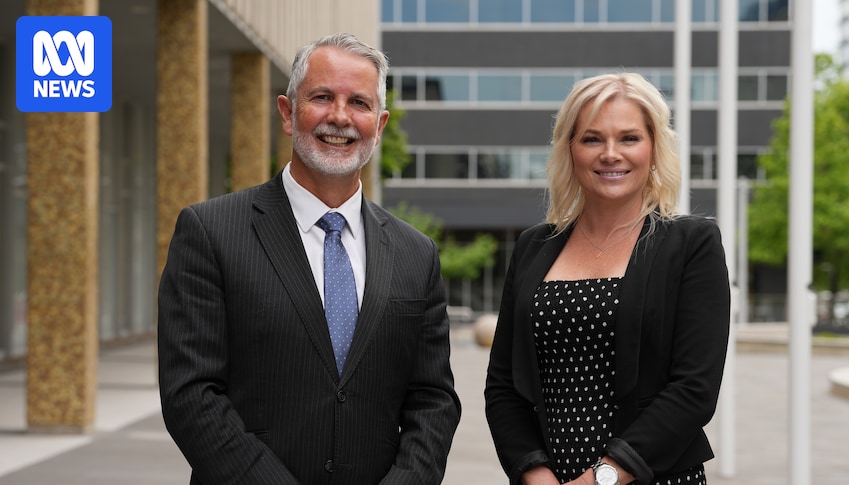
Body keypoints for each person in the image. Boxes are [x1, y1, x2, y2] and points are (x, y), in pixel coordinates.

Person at [158, 32, 461, 485]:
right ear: (288, 112)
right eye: (322, 97)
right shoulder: (210, 232)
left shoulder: (417, 254)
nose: (339, 116)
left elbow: (433, 400)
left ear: (379, 125)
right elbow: (191, 394)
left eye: (358, 103)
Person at [484, 73, 730, 485]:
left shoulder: (692, 244)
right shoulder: (532, 247)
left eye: (629, 138)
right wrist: (535, 473)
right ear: (570, 149)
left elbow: (694, 389)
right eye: (592, 139)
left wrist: (602, 477)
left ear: (654, 148)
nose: (610, 154)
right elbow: (503, 386)